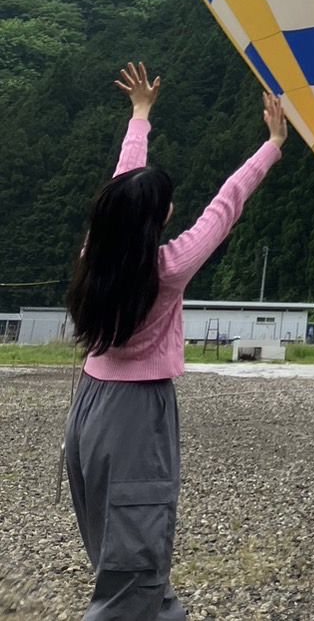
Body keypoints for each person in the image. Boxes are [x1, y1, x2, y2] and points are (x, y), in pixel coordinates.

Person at [64, 62, 286, 621]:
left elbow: (123, 180)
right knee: (134, 548)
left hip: (89, 408)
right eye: (165, 204)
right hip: (137, 413)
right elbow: (226, 204)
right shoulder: (167, 269)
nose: (171, 208)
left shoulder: (98, 253)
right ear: (155, 220)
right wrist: (274, 143)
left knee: (115, 537)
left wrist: (140, 117)